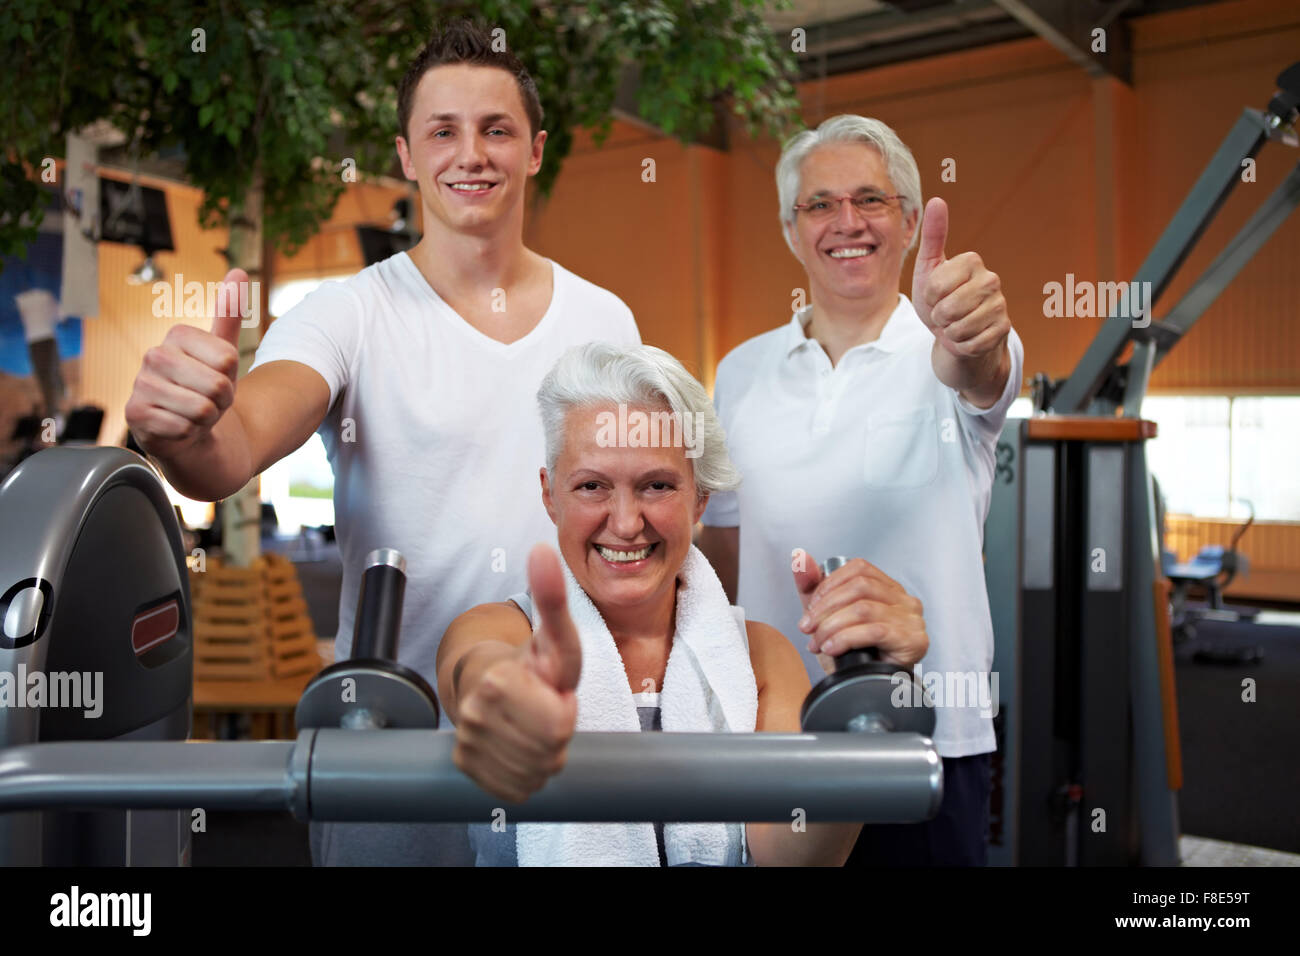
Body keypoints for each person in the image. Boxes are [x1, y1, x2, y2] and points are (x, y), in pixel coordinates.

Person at [123, 20, 640, 865]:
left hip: (560, 730)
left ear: (535, 149)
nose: (470, 153)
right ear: (406, 154)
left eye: (495, 129)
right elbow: (233, 448)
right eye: (443, 131)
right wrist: (189, 426)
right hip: (389, 745)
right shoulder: (347, 313)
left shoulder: (606, 320)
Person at [437, 341, 929, 866]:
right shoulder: (497, 631)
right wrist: (510, 695)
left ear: (700, 497)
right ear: (549, 493)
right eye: (591, 486)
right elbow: (477, 672)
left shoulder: (762, 657)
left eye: (657, 485)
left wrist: (859, 707)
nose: (626, 523)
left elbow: (795, 859)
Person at [696, 115, 1025, 866]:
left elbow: (984, 371)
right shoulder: (741, 372)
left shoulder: (949, 347)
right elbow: (723, 548)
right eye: (821, 204)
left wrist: (973, 337)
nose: (848, 222)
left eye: (871, 199)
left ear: (910, 221)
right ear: (790, 228)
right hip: (781, 731)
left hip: (927, 734)